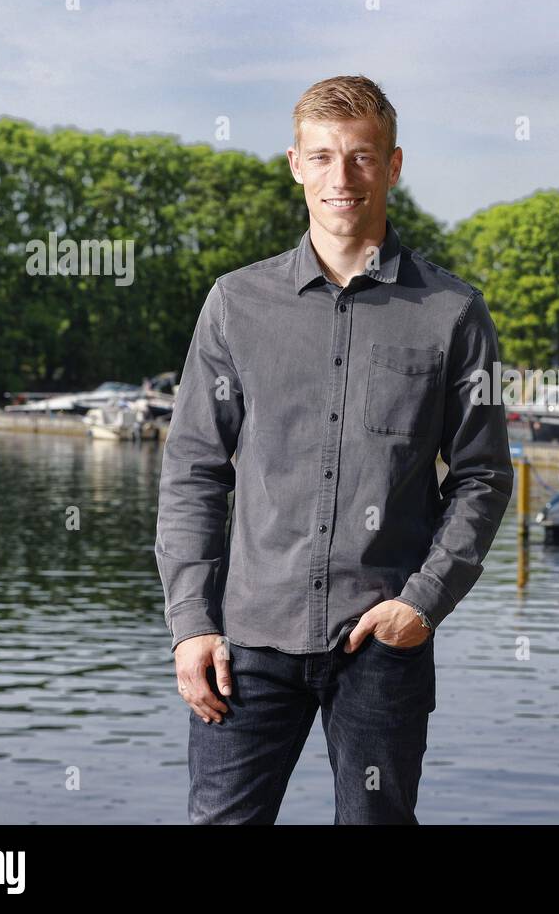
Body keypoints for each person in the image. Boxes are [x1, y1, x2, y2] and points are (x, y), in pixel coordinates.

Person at [156, 75, 514, 824]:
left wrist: (421, 604)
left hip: (383, 641)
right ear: (295, 164)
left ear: (393, 165)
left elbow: (481, 477)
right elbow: (193, 471)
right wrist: (192, 623)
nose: (340, 178)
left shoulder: (453, 313)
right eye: (322, 157)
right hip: (247, 645)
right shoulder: (235, 304)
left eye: (359, 157)